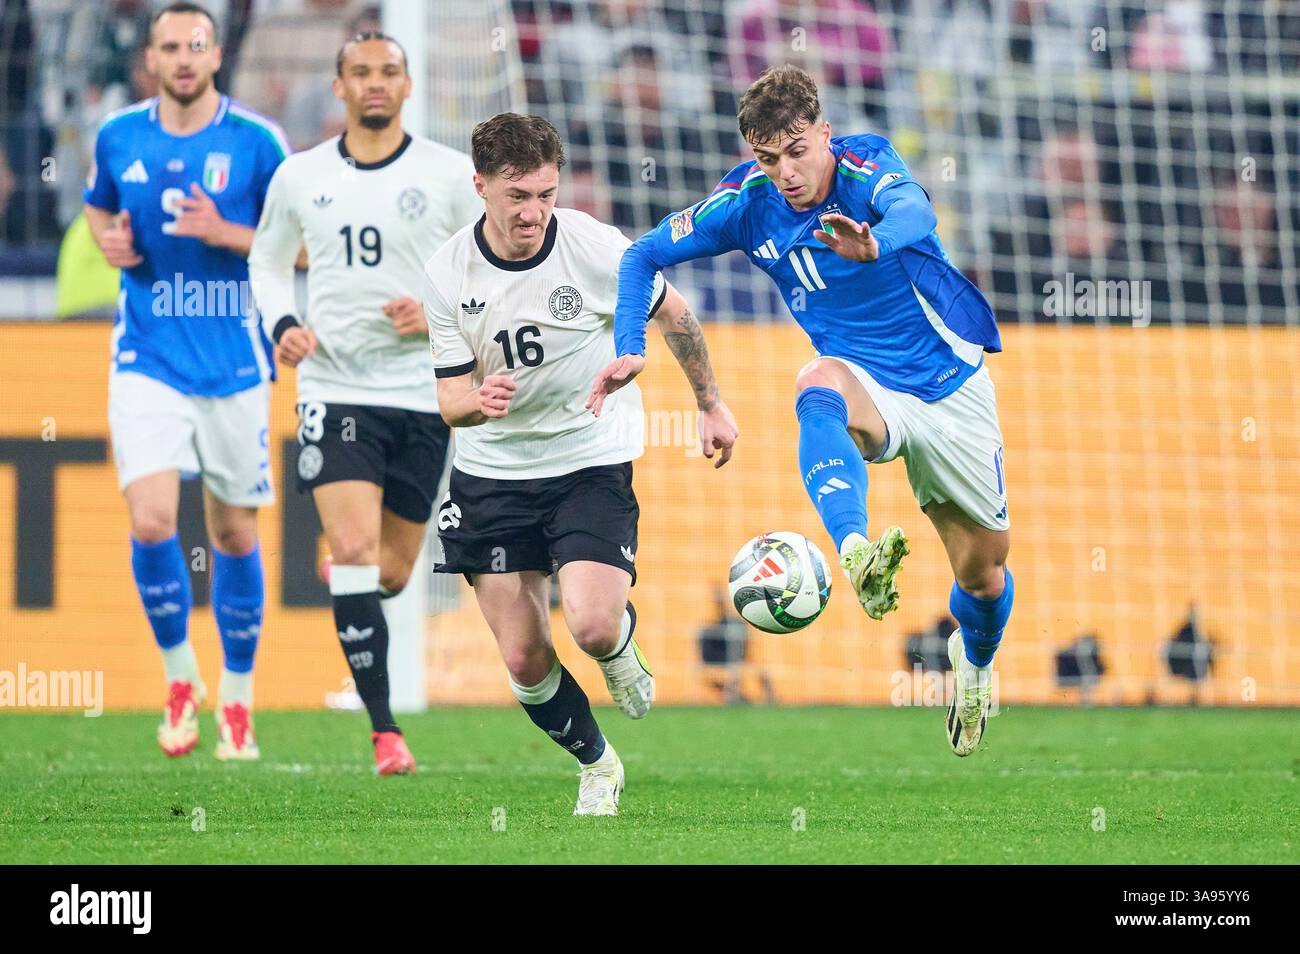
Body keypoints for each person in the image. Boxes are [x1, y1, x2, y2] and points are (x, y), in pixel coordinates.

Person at [590, 65, 1012, 758]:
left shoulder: (865, 161)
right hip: (864, 383)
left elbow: (917, 208)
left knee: (983, 577)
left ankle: (976, 665)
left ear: (824, 133)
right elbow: (641, 256)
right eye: (767, 158)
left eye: (796, 151)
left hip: (951, 384)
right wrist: (631, 347)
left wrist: (877, 241)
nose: (785, 172)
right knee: (815, 382)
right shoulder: (746, 202)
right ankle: (854, 551)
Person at [422, 112, 737, 814]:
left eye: (545, 193)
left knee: (592, 626)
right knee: (524, 659)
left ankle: (620, 651)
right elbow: (449, 400)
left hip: (588, 459)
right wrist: (480, 400)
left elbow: (676, 315)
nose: (534, 211)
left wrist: (710, 405)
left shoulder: (596, 247)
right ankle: (597, 764)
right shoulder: (446, 273)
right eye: (517, 195)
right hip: (491, 473)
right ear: (481, 186)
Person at [248, 32, 480, 776]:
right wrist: (282, 323)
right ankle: (385, 733)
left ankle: (347, 579)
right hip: (335, 385)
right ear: (339, 87)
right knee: (352, 552)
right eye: (360, 73)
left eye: (388, 72)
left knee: (389, 570)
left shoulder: (448, 176)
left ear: (408, 86)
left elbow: (486, 272)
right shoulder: (300, 175)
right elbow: (267, 259)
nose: (375, 84)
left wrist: (440, 315)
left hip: (422, 393)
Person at [83, 2, 289, 760]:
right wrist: (112, 245)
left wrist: (226, 233)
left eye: (194, 46)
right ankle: (179, 680)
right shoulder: (117, 136)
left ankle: (236, 696)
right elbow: (102, 217)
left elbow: (298, 249)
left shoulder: (259, 142)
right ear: (150, 59)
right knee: (151, 520)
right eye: (168, 46)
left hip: (234, 363)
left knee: (233, 531)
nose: (181, 58)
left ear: (214, 55)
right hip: (148, 354)